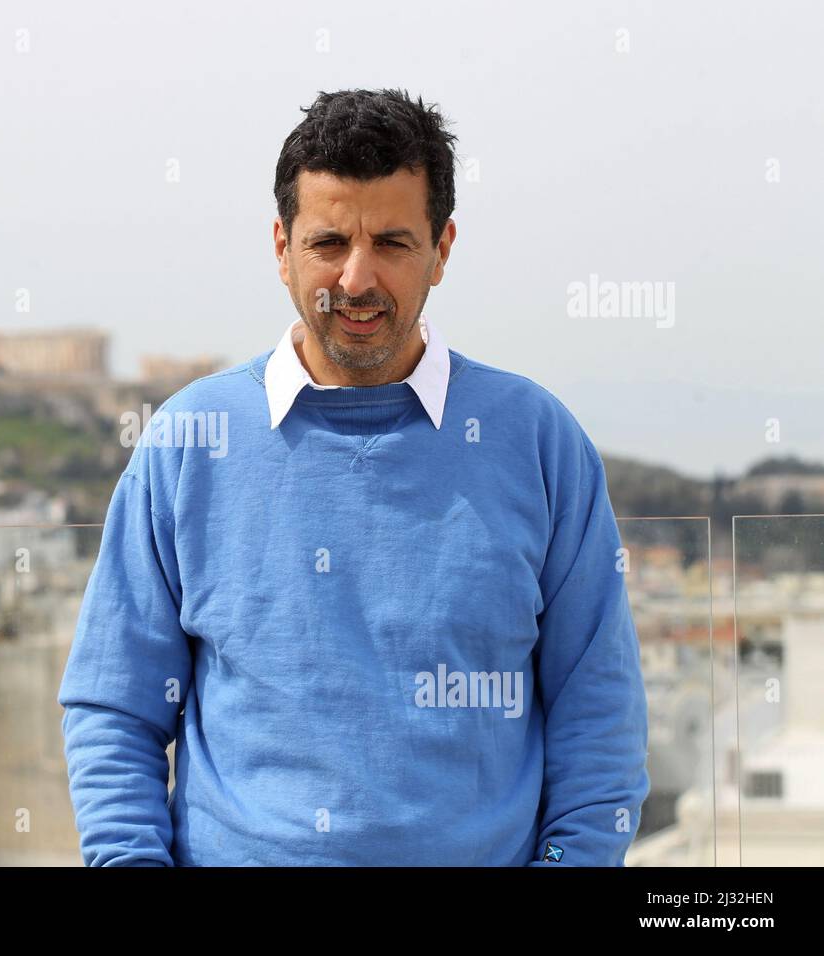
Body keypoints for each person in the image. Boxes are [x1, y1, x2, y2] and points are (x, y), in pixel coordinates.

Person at [57, 88, 650, 866]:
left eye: (394, 243)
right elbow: (113, 708)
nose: (357, 278)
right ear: (282, 247)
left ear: (443, 248)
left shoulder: (539, 443)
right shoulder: (187, 445)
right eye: (330, 242)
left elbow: (597, 710)